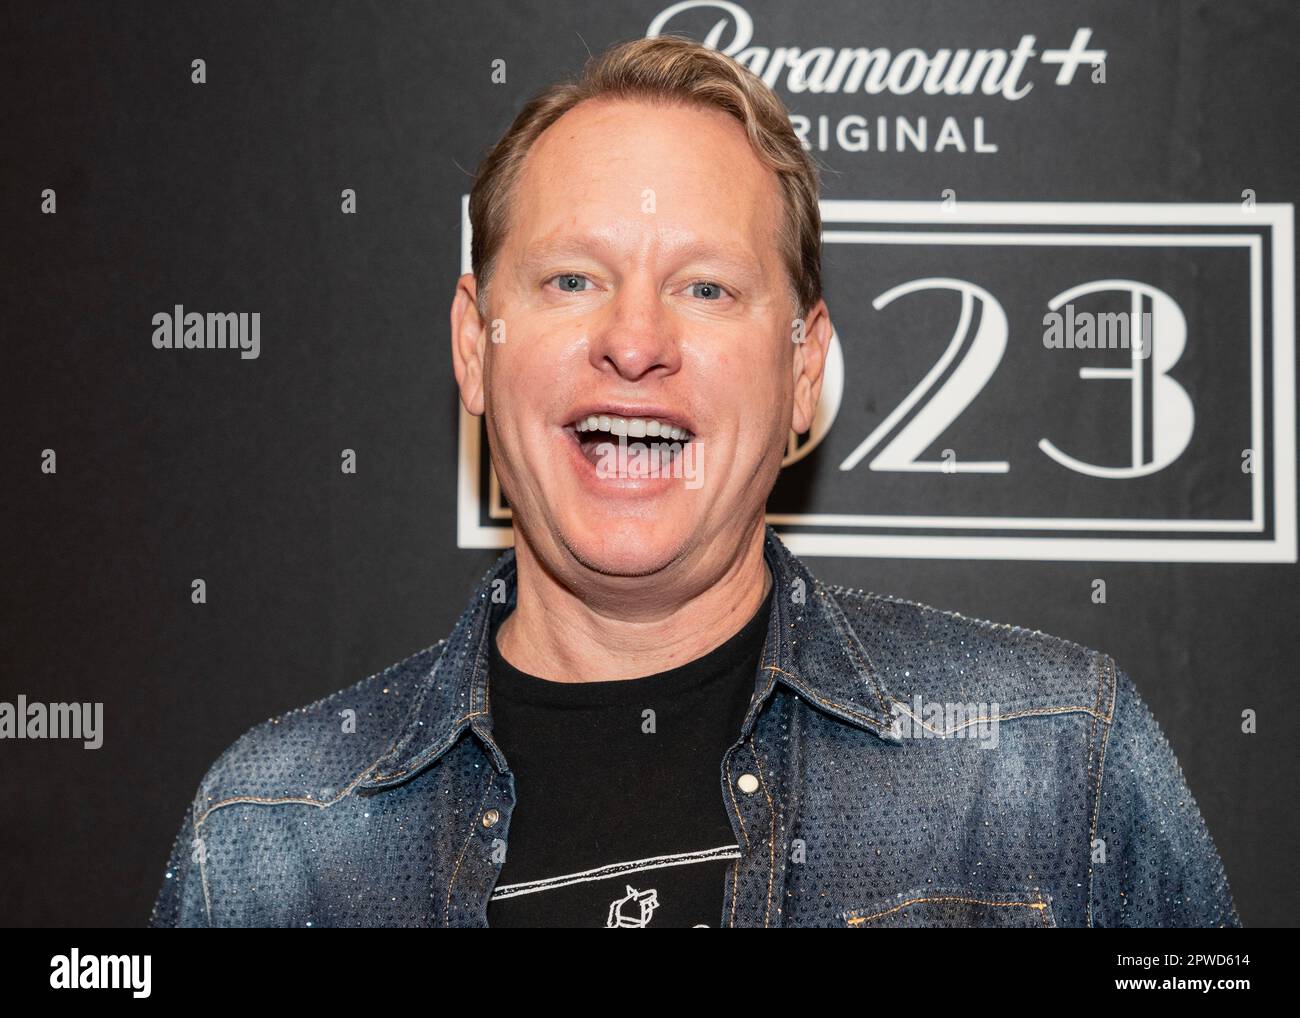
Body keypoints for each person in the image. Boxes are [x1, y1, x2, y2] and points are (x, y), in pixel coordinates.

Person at [150, 35, 1239, 928]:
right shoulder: (273, 837)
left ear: (803, 371)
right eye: (572, 279)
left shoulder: (1051, 765)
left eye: (706, 289)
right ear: (474, 348)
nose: (634, 341)